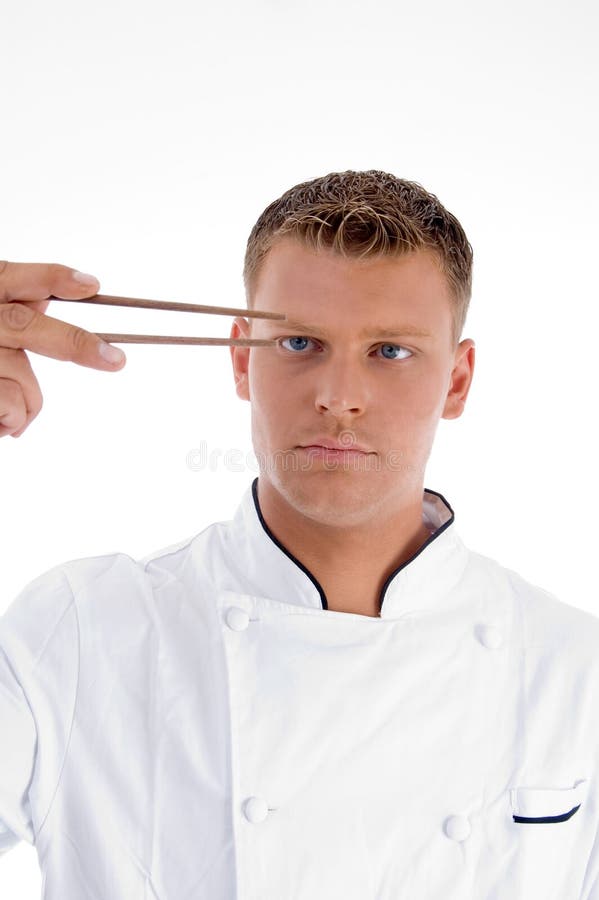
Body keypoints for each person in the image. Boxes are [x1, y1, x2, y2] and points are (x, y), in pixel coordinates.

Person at [1, 170, 598, 900]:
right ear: (240, 359)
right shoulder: (83, 632)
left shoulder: (572, 671)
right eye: (299, 342)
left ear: (457, 381)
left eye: (389, 352)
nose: (337, 397)